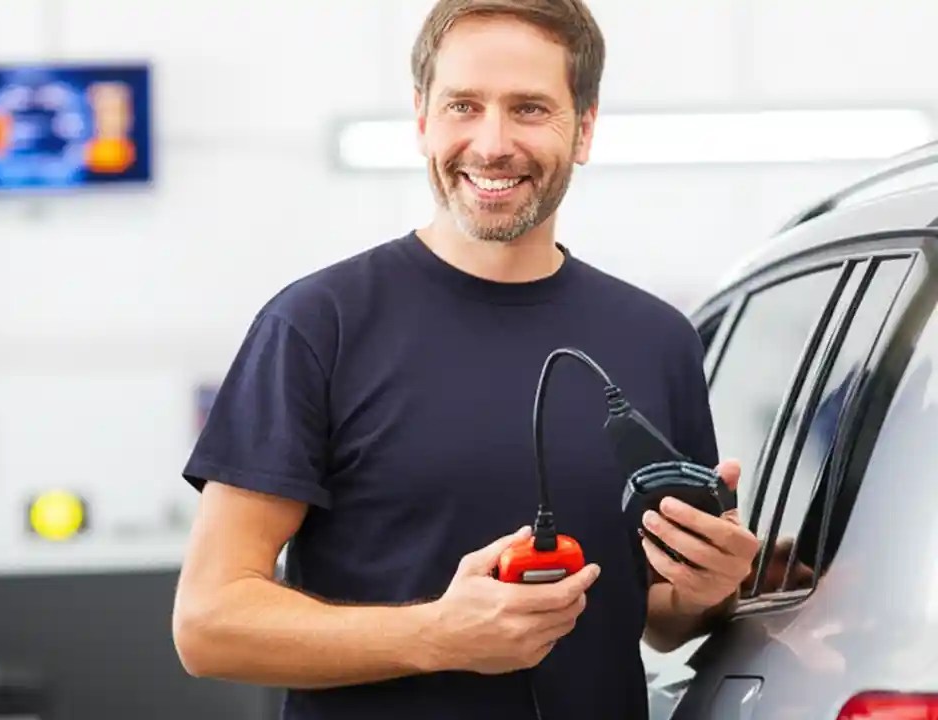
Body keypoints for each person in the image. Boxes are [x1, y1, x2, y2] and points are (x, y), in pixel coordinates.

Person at [171, 0, 760, 717]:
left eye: (530, 109)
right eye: (463, 106)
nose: (492, 143)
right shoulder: (316, 326)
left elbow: (662, 617)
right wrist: (440, 636)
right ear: (422, 118)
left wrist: (706, 589)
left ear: (585, 129)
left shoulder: (657, 340)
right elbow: (208, 625)